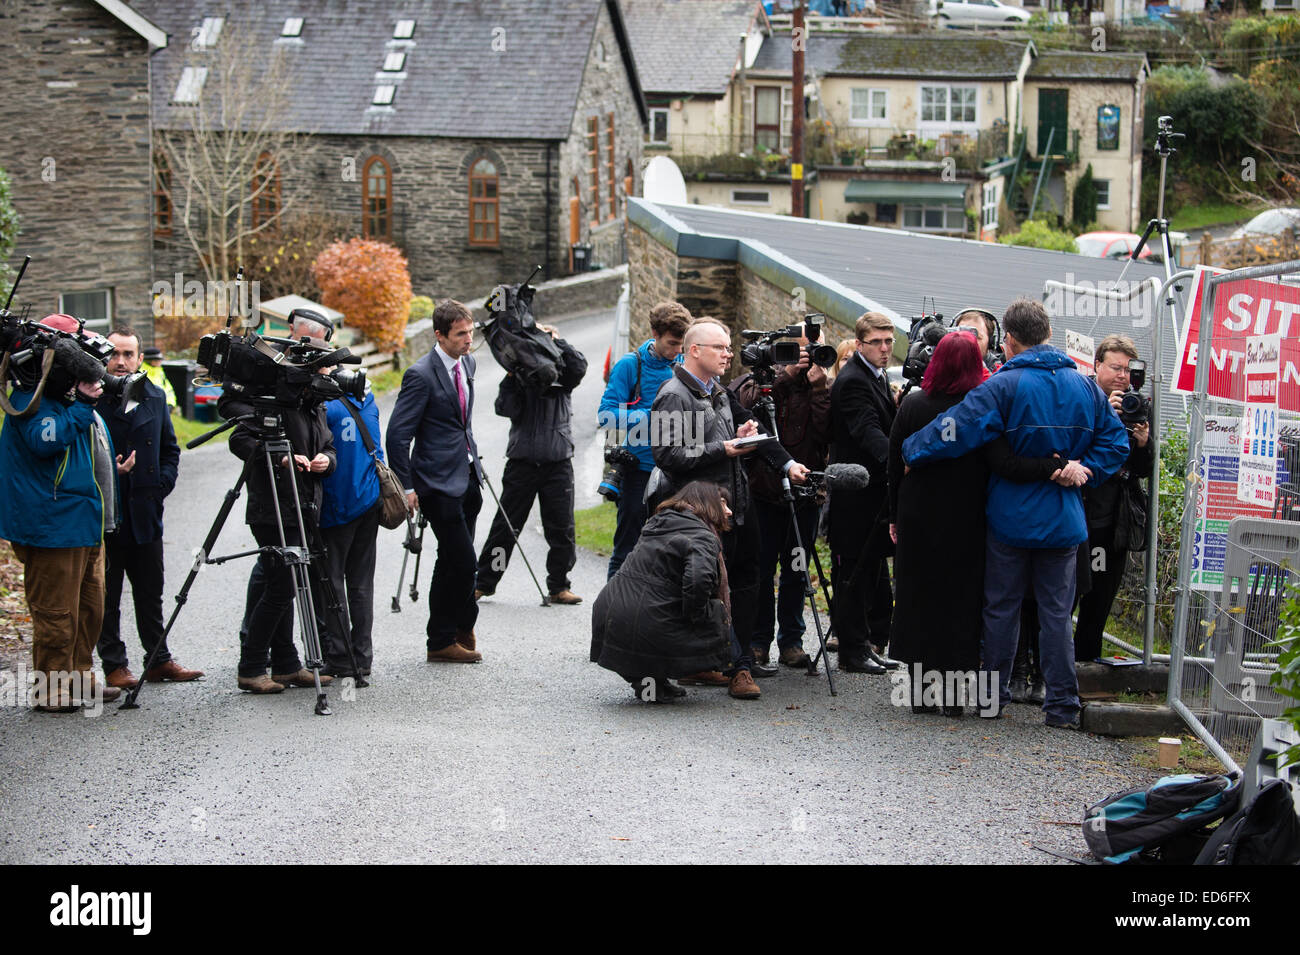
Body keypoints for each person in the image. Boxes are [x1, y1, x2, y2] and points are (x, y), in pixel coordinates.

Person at [902, 298, 1130, 728]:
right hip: (1064, 520)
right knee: (1057, 616)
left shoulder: (1003, 386)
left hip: (1009, 518)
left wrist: (913, 449)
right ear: (1047, 334)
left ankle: (993, 699)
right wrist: (1083, 471)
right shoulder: (1084, 386)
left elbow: (957, 427)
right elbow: (1117, 443)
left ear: (1008, 340)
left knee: (1000, 610)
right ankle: (1062, 706)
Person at [649, 318, 810, 700]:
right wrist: (722, 448)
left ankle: (735, 662)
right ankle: (728, 664)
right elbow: (667, 455)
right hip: (701, 512)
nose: (729, 353)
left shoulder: (717, 391)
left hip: (737, 504)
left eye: (728, 347)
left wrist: (788, 465)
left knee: (747, 580)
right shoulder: (674, 394)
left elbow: (755, 435)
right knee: (712, 585)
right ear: (695, 351)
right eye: (720, 347)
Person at [0, 314, 122, 710]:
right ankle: (50, 689)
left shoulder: (66, 401)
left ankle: (81, 678)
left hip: (84, 522)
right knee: (57, 613)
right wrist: (84, 403)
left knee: (90, 609)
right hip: (51, 526)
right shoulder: (29, 398)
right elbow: (43, 439)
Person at [222, 323, 338, 694]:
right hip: (272, 507)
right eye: (326, 370)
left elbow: (329, 446)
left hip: (304, 504)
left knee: (285, 588)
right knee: (279, 587)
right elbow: (241, 440)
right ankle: (252, 667)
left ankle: (287, 665)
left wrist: (325, 460)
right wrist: (281, 459)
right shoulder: (273, 398)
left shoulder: (313, 405)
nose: (331, 377)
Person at [95, 325, 202, 690]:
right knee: (106, 594)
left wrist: (162, 484)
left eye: (128, 354)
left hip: (145, 509)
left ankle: (158, 659)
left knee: (150, 590)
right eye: (114, 353)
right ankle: (114, 664)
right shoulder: (90, 397)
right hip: (106, 514)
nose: (121, 361)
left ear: (140, 358)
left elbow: (170, 449)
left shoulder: (153, 395)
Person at [386, 299, 484, 663]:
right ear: (439, 335)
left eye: (471, 332)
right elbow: (397, 436)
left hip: (469, 477)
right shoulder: (420, 375)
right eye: (460, 335)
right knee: (464, 560)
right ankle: (456, 627)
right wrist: (407, 487)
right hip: (435, 484)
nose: (468, 341)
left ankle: (445, 637)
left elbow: (462, 423)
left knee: (451, 561)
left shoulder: (469, 363)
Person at [732, 338, 831, 668]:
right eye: (797, 348)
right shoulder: (761, 379)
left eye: (810, 348)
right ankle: (759, 640)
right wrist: (785, 376)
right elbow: (747, 411)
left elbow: (826, 432)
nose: (803, 356)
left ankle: (792, 640)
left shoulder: (820, 384)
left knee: (797, 569)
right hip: (765, 491)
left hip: (806, 494)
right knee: (761, 569)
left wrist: (819, 389)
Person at [474, 322, 587, 604]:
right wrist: (515, 375)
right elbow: (505, 408)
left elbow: (579, 366)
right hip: (522, 461)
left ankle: (559, 585)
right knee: (505, 528)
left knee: (561, 528)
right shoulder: (521, 374)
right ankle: (485, 582)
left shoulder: (564, 373)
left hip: (558, 461)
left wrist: (556, 341)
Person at [590, 481, 733, 702]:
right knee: (713, 610)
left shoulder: (658, 523)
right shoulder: (702, 535)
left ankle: (652, 681)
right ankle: (661, 673)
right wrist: (697, 618)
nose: (729, 511)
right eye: (722, 504)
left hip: (607, 615)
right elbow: (697, 582)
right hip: (645, 624)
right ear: (707, 504)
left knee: (659, 602)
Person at [1074, 334, 1153, 661]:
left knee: (1100, 598)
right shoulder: (1081, 396)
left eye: (1127, 369)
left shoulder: (1139, 406)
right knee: (1067, 596)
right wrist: (1106, 413)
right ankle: (1050, 665)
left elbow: (1144, 469)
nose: (1121, 375)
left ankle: (1087, 666)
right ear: (1097, 365)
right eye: (1115, 367)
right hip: (1079, 512)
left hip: (1114, 521)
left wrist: (1144, 442)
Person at [828, 312, 899, 675]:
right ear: (860, 344)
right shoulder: (854, 380)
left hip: (870, 492)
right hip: (855, 493)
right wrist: (899, 462)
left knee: (869, 572)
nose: (885, 349)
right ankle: (852, 650)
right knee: (853, 572)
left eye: (889, 341)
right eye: (877, 342)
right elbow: (866, 430)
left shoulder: (876, 375)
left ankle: (863, 645)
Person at [597, 302, 689, 579]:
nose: (677, 351)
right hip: (639, 469)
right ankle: (612, 615)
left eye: (682, 345)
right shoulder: (630, 365)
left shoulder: (685, 364)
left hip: (677, 470)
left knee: (671, 550)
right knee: (627, 548)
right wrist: (650, 416)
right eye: (672, 343)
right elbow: (606, 415)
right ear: (655, 333)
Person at [319, 375, 385, 679]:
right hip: (370, 499)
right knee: (361, 584)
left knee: (332, 582)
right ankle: (363, 657)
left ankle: (341, 658)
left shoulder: (327, 408)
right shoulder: (369, 404)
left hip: (339, 502)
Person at [952, 307, 1003, 376]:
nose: (967, 341)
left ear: (990, 343)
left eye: (976, 336)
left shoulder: (999, 374)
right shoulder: (944, 364)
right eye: (962, 335)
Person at [140, 346, 178, 411]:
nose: (160, 362)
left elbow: (169, 391)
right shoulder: (140, 375)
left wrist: (170, 404)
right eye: (157, 360)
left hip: (164, 410)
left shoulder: (160, 373)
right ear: (149, 361)